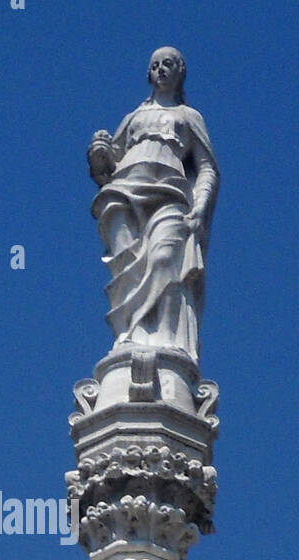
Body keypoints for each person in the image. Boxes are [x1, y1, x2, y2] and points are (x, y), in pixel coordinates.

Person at [87, 47, 219, 358]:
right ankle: (127, 333)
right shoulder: (133, 117)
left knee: (164, 260)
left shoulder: (189, 117)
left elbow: (207, 168)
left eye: (168, 64)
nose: (161, 69)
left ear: (180, 71)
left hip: (170, 195)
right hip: (122, 192)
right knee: (125, 264)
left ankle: (163, 339)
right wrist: (98, 153)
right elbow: (105, 170)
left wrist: (200, 206)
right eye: (155, 65)